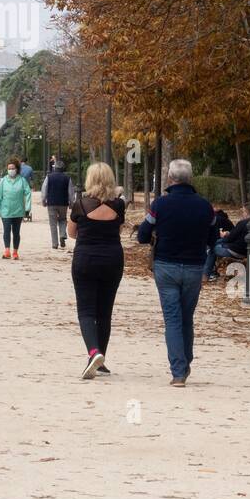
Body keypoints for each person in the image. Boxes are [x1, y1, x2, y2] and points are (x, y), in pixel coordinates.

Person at [136, 159, 213, 386]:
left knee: (172, 318)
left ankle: (178, 370)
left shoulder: (160, 204)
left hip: (166, 265)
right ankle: (185, 361)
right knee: (186, 317)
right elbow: (213, 238)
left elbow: (142, 234)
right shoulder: (204, 206)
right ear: (190, 178)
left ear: (170, 178)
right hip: (194, 266)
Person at [68, 162, 125, 379]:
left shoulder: (80, 205)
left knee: (86, 311)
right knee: (104, 311)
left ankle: (93, 352)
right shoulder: (118, 206)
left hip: (86, 259)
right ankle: (100, 359)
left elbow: (72, 233)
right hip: (112, 259)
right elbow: (118, 229)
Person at [0, 156, 32, 260]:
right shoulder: (3, 181)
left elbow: (28, 193)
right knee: (6, 231)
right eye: (9, 168)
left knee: (16, 232)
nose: (11, 170)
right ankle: (7, 250)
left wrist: (27, 208)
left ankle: (15, 251)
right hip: (5, 211)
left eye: (13, 168)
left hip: (18, 211)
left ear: (17, 169)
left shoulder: (22, 181)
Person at [40, 159, 72, 250]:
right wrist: (71, 203)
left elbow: (44, 189)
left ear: (55, 168)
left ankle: (55, 243)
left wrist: (43, 201)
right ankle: (62, 234)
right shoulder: (67, 178)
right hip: (63, 203)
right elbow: (71, 192)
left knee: (52, 223)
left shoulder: (49, 177)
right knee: (63, 219)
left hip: (51, 203)